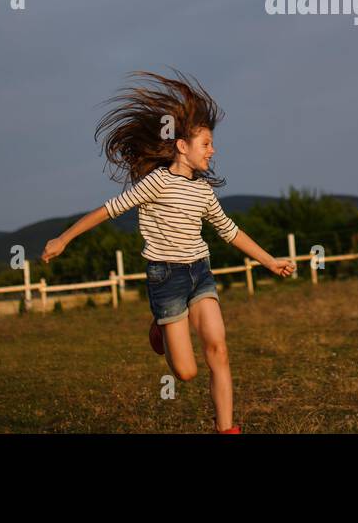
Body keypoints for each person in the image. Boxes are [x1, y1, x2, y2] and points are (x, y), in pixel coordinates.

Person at [41, 68, 295, 433]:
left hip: (200, 272)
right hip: (166, 279)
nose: (213, 150)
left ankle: (226, 429)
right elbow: (108, 210)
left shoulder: (205, 192)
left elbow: (230, 231)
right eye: (206, 143)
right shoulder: (156, 183)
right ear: (182, 146)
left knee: (218, 350)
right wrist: (64, 239)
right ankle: (160, 328)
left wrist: (269, 261)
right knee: (187, 373)